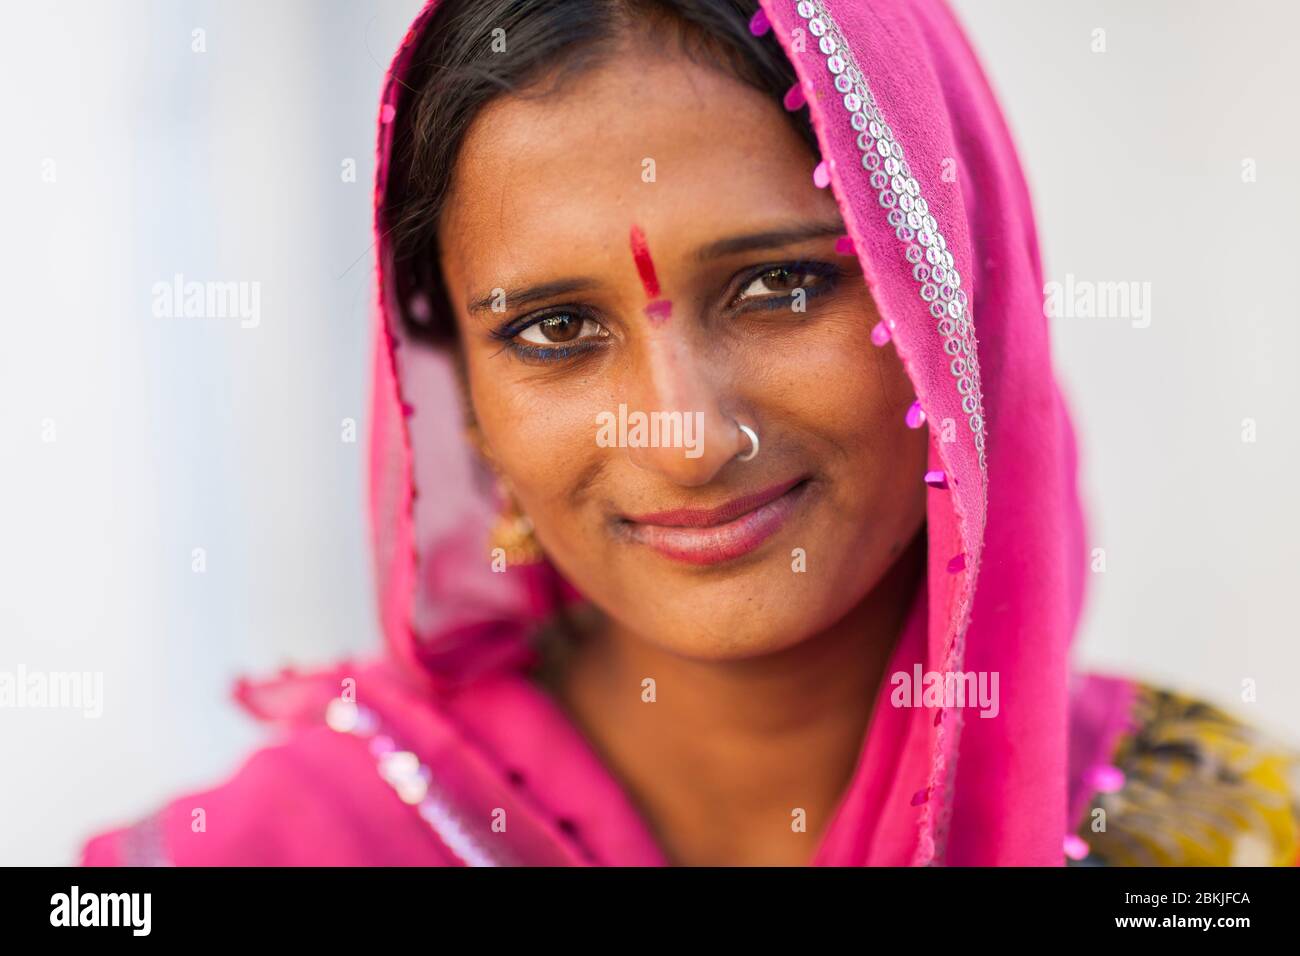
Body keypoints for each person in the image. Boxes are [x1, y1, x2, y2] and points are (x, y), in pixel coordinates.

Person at [81, 0, 1299, 867]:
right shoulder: (266, 855)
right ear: (462, 409)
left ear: (956, 301)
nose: (686, 437)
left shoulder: (1206, 834)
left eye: (779, 287)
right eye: (555, 328)